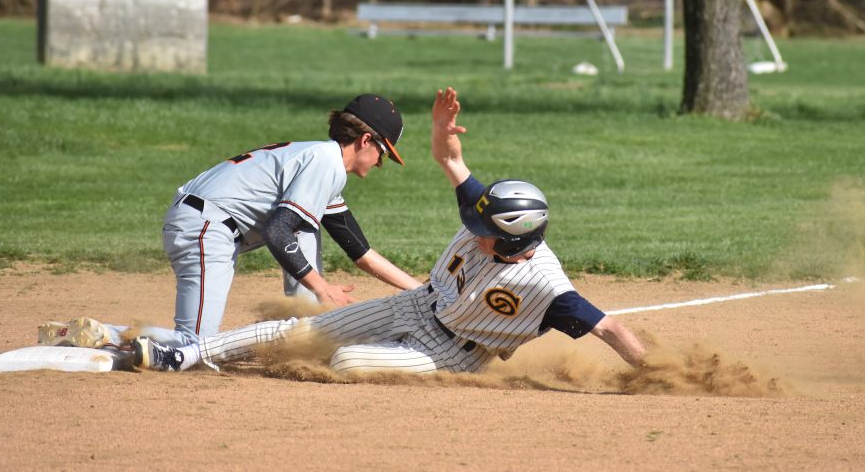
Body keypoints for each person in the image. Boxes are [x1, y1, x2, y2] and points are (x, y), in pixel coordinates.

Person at [130, 86, 646, 374]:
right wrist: (441, 130)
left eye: (483, 228)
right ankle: (190, 351)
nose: (472, 225)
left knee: (346, 359)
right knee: (301, 332)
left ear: (514, 242)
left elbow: (611, 328)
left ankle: (191, 345)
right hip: (414, 308)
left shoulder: (548, 287)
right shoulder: (484, 210)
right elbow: (451, 162)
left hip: (451, 350)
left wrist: (655, 371)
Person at [39, 93, 423, 350]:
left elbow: (361, 252)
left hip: (201, 222)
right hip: (205, 227)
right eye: (384, 153)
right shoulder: (325, 163)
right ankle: (104, 333)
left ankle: (304, 334)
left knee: (307, 226)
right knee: (196, 348)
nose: (380, 163)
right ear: (366, 140)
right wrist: (321, 287)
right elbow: (277, 232)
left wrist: (423, 290)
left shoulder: (318, 162)